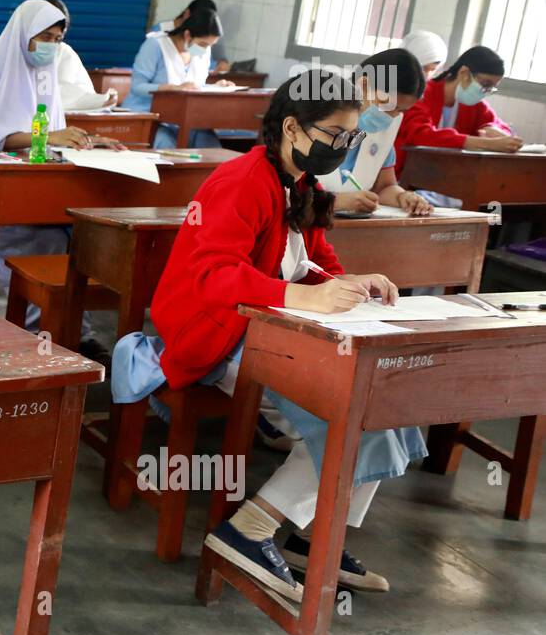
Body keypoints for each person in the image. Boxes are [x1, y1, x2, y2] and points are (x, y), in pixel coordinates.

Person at [113, 69, 420, 599]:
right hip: (217, 337)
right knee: (356, 420)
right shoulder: (241, 181)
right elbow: (215, 277)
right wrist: (303, 297)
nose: (343, 149)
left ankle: (308, 530)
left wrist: (349, 284)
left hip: (264, 328)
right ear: (294, 130)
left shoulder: (301, 183)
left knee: (389, 404)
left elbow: (313, 263)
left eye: (351, 139)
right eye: (335, 137)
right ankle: (249, 529)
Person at [0, 0, 121, 352]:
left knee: (79, 235)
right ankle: (43, 333)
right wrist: (47, 138)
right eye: (43, 36)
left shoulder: (45, 73)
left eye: (56, 39)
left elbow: (55, 134)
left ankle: (77, 332)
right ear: (24, 34)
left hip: (37, 186)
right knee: (44, 242)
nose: (50, 46)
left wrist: (88, 142)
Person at [320, 48, 433, 216]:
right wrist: (335, 202)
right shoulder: (316, 119)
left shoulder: (384, 130)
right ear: (364, 85)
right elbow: (285, 190)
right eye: (388, 105)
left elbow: (384, 187)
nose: (391, 116)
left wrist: (403, 196)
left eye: (400, 110)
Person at [394, 45, 522, 179]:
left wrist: (493, 130)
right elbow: (420, 135)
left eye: (491, 88)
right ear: (464, 73)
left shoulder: (473, 104)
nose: (485, 91)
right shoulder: (422, 94)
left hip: (447, 176)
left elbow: (497, 124)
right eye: (485, 84)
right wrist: (487, 144)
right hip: (406, 174)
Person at [128, 8, 234, 147]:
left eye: (210, 45)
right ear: (188, 35)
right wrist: (173, 88)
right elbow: (137, 87)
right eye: (203, 44)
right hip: (150, 116)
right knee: (165, 144)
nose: (205, 49)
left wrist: (216, 87)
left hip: (184, 117)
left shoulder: (201, 51)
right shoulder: (155, 45)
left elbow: (195, 87)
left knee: (210, 146)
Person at [44, 0, 118, 112]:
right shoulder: (14, 53)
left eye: (58, 38)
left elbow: (62, 96)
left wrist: (101, 101)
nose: (51, 44)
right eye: (46, 36)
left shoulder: (64, 53)